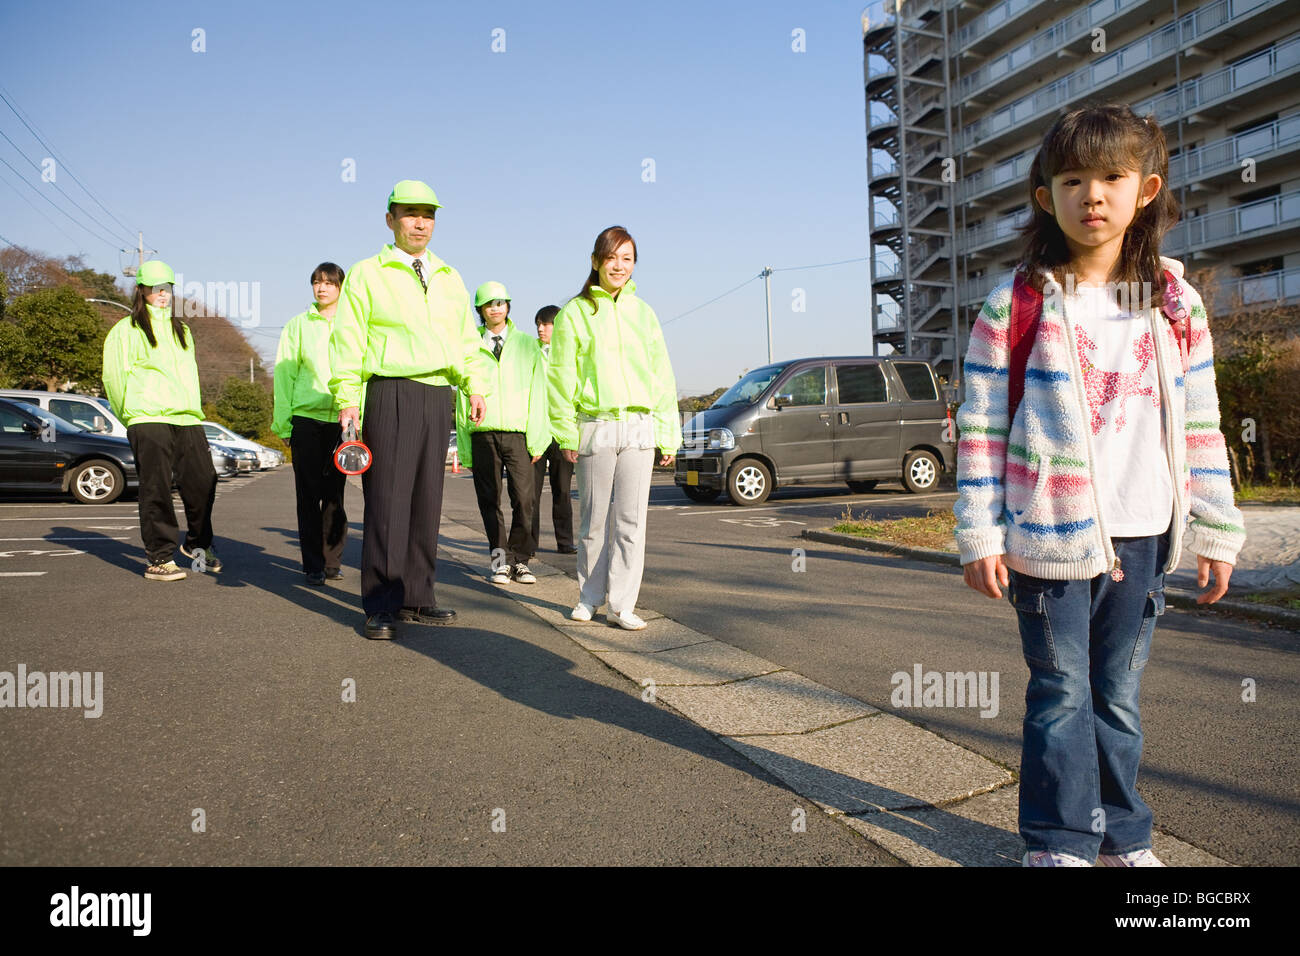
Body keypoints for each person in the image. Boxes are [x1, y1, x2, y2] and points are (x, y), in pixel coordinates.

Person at [954, 105, 1245, 867]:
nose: (1094, 194)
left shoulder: (1173, 305)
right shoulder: (1015, 305)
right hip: (1048, 534)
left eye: (1113, 176)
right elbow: (981, 430)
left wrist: (1216, 528)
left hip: (1145, 530)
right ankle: (1057, 843)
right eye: (1073, 178)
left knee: (1117, 696)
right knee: (1061, 695)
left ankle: (1122, 837)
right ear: (1046, 196)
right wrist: (981, 533)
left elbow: (1202, 426)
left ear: (1145, 190)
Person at [329, 180, 486, 639]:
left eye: (428, 214)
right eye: (410, 213)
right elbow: (349, 340)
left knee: (426, 499)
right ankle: (381, 602)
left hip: (439, 392)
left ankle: (419, 596)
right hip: (391, 390)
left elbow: (465, 341)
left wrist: (475, 386)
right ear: (390, 219)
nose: (420, 222)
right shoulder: (367, 272)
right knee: (387, 500)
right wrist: (347, 400)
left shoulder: (449, 276)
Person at [547, 226, 678, 631]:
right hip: (596, 425)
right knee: (593, 521)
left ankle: (622, 605)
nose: (619, 266)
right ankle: (588, 598)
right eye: (612, 258)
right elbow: (560, 376)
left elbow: (661, 375)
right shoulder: (575, 312)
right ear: (595, 261)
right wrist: (566, 432)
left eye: (627, 258)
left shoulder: (644, 313)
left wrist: (667, 432)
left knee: (631, 521)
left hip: (639, 427)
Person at [102, 260, 220, 581]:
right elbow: (113, 379)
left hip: (187, 418)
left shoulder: (183, 330)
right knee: (156, 488)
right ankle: (159, 557)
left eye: (166, 288)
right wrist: (130, 415)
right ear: (141, 291)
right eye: (155, 289)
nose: (162, 295)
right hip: (147, 417)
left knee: (204, 481)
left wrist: (192, 408)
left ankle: (197, 543)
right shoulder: (125, 330)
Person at [456, 281, 549, 585]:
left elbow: (539, 393)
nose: (495, 308)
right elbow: (461, 397)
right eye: (488, 303)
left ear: (508, 306)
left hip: (518, 434)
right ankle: (500, 561)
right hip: (482, 433)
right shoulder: (469, 345)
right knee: (488, 499)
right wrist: (465, 445)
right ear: (480, 310)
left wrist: (538, 437)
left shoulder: (527, 344)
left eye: (500, 302)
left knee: (524, 499)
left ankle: (520, 561)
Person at [273, 262, 348, 586]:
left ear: (341, 287)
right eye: (317, 282)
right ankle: (312, 565)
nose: (322, 288)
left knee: (335, 495)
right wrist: (283, 424)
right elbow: (284, 375)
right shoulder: (297, 326)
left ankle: (332, 561)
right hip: (305, 419)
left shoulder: (353, 324)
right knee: (307, 495)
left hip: (343, 420)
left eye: (329, 283)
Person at [530, 305, 576, 554]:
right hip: (536, 432)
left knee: (563, 490)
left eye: (546, 324)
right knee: (530, 493)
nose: (540, 328)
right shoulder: (530, 353)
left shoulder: (571, 355)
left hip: (561, 433)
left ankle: (565, 542)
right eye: (538, 323)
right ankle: (530, 542)